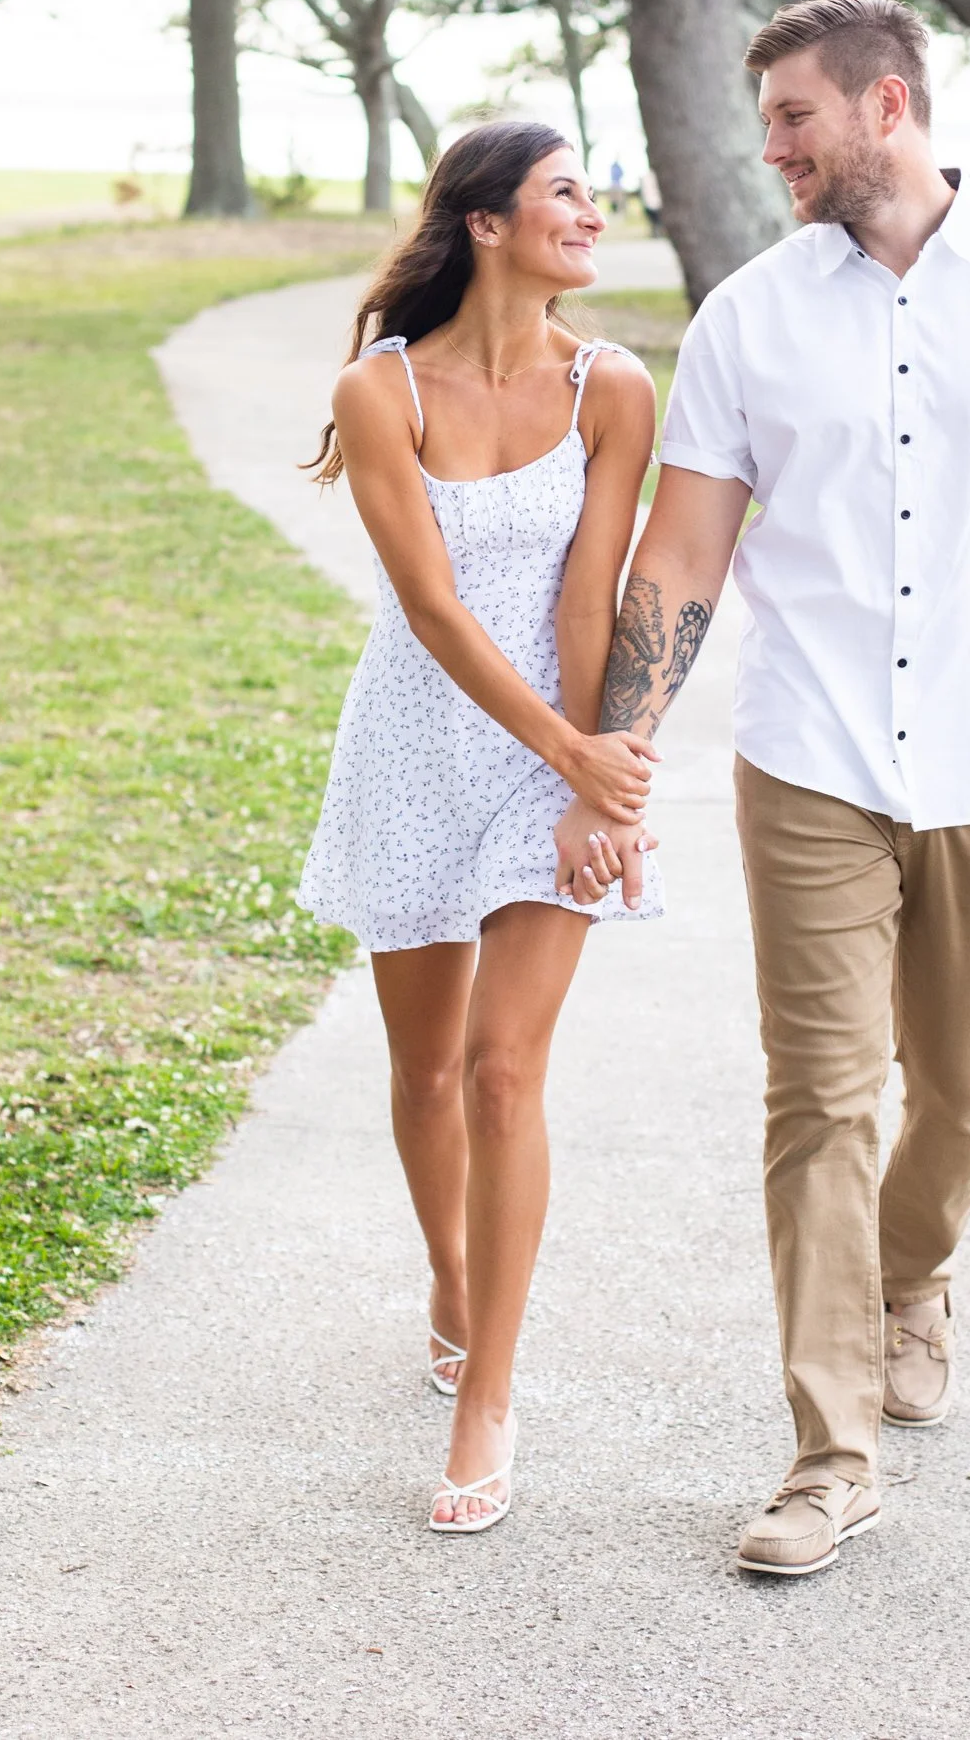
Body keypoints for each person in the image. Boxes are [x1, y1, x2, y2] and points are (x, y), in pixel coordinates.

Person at [558, 0, 970, 1577]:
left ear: (884, 106)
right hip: (812, 754)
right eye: (766, 122)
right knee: (819, 1099)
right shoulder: (750, 317)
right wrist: (617, 763)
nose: (770, 150)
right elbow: (682, 555)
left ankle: (915, 1280)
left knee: (957, 1086)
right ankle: (828, 1457)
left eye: (791, 120)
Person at [300, 120, 663, 1537]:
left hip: (550, 758)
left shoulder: (613, 387)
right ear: (490, 224)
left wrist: (588, 774)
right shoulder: (380, 389)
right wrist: (562, 740)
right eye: (567, 191)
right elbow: (435, 610)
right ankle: (448, 1276)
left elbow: (593, 595)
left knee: (502, 1069)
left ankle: (487, 1394)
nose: (594, 210)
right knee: (426, 1077)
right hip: (415, 741)